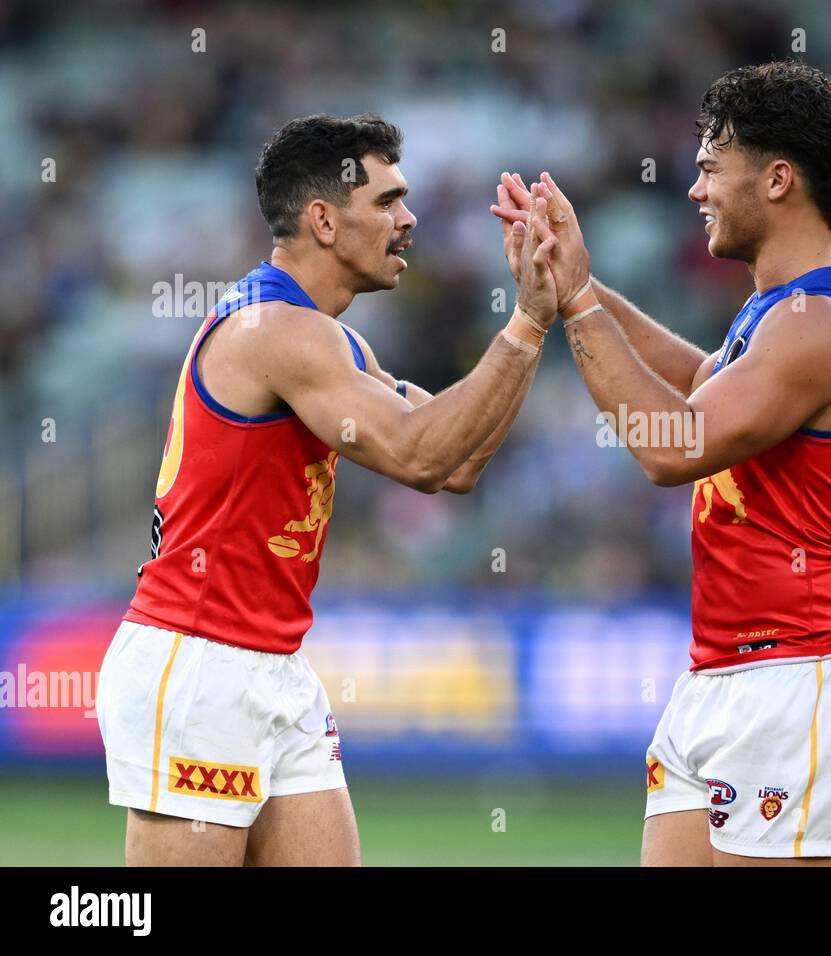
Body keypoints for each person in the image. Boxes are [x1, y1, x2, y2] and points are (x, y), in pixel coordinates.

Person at [96, 113, 561, 865]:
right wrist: (530, 324)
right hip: (198, 663)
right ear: (322, 217)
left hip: (274, 664)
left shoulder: (331, 340)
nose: (409, 220)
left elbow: (460, 460)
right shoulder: (278, 331)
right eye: (386, 201)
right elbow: (420, 456)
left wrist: (538, 315)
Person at [493, 60, 831, 866]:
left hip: (799, 680)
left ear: (779, 178)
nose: (695, 190)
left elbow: (670, 444)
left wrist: (576, 307)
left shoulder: (820, 323)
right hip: (723, 676)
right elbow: (696, 383)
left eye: (712, 167)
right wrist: (577, 278)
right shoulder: (781, 313)